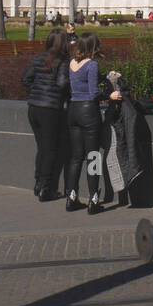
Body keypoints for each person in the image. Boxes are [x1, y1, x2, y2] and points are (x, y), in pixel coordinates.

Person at [66, 32, 120, 214]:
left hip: (73, 110)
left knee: (75, 157)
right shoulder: (92, 65)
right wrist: (110, 95)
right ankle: (93, 200)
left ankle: (71, 197)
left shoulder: (72, 63)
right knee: (93, 157)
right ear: (93, 47)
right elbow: (94, 93)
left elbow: (80, 85)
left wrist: (104, 77)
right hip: (89, 112)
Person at [22, 30, 70, 202]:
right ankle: (46, 189)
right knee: (50, 150)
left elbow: (26, 79)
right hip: (50, 109)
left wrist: (37, 91)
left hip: (33, 108)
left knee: (41, 147)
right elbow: (62, 84)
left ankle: (38, 183)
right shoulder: (63, 61)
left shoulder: (38, 58)